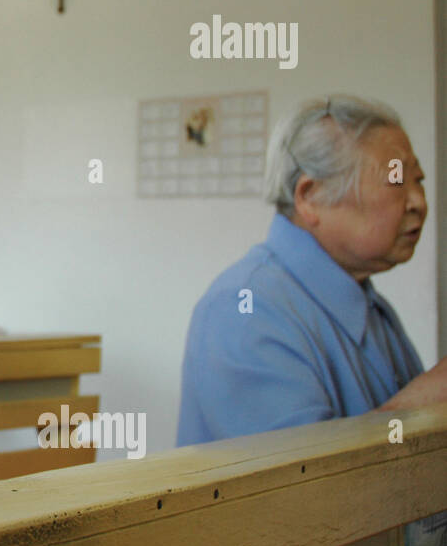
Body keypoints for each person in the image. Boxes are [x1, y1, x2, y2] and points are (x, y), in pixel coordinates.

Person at [178, 96, 447, 446]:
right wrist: (425, 401)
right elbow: (296, 487)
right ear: (310, 196)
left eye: (419, 180)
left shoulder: (369, 302)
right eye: (396, 180)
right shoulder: (244, 308)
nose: (418, 202)